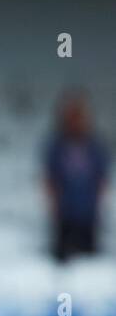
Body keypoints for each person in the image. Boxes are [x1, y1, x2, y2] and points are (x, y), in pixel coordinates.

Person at [43, 91, 109, 262]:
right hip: (65, 214)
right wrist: (54, 206)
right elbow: (50, 179)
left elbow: (102, 179)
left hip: (88, 214)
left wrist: (98, 205)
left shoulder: (95, 146)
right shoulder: (56, 146)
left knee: (90, 262)